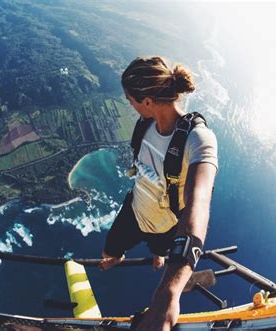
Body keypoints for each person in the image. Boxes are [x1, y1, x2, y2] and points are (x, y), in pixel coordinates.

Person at [99, 56, 218, 331]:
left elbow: (197, 207)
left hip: (166, 225)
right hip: (134, 209)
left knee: (159, 249)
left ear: (148, 101)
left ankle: (159, 253)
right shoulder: (146, 125)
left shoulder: (198, 140)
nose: (129, 104)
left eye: (131, 99)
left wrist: (168, 295)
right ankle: (128, 254)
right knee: (110, 249)